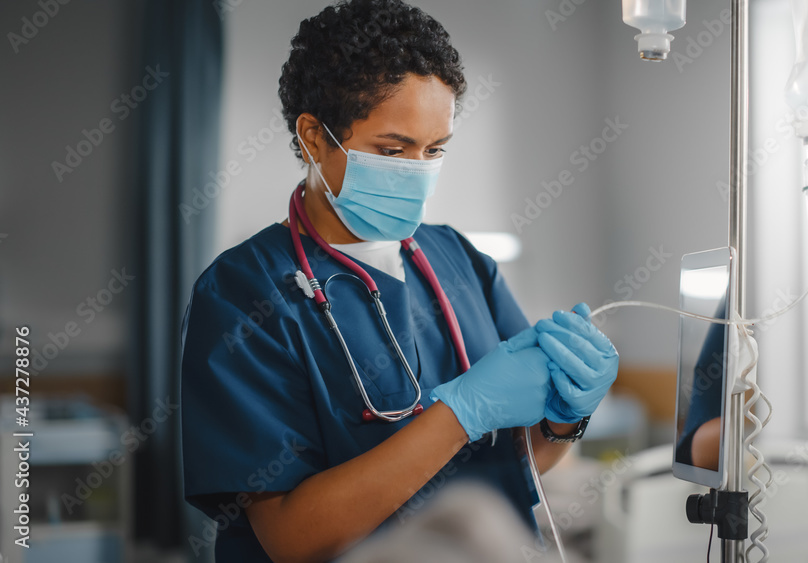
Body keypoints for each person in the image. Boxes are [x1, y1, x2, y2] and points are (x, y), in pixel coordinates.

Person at [179, 1, 619, 562]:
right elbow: (293, 539)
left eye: (434, 150)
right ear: (314, 137)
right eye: (393, 150)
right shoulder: (244, 293)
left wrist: (563, 417)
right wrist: (459, 414)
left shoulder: (456, 258)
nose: (418, 171)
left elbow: (519, 458)